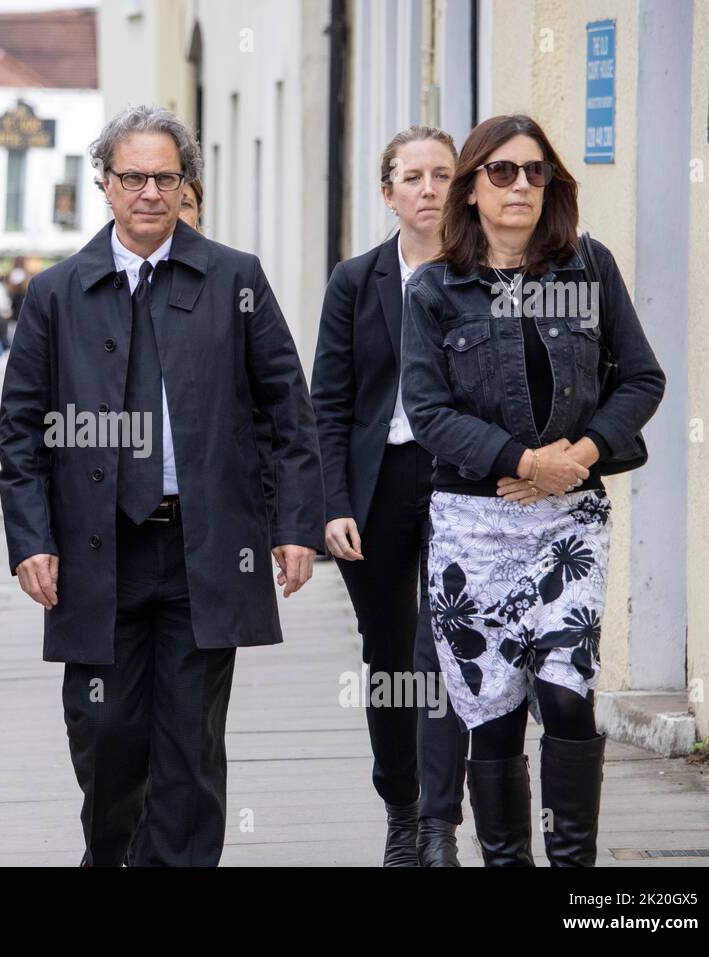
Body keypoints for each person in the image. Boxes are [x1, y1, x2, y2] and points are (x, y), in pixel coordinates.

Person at [0, 105, 321, 866]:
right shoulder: (56, 293)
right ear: (105, 183)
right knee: (106, 732)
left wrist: (296, 523)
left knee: (189, 746)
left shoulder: (234, 277)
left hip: (200, 553)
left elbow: (287, 406)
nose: (150, 191)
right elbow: (21, 430)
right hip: (95, 553)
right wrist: (30, 540)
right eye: (133, 176)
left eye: (166, 177)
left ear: (187, 186)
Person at [401, 114, 665, 866]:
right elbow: (428, 412)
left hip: (568, 523)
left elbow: (643, 377)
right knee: (492, 712)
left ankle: (574, 866)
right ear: (473, 186)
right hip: (474, 527)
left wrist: (576, 454)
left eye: (535, 171)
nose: (520, 185)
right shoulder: (435, 289)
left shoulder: (589, 269)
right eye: (502, 171)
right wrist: (520, 460)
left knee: (565, 694)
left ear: (552, 185)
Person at [310, 126, 470, 866]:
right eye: (413, 177)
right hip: (376, 487)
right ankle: (401, 809)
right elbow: (329, 402)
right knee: (391, 656)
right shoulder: (355, 280)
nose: (429, 188)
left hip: (460, 484)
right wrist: (332, 502)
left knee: (446, 648)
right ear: (389, 193)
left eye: (443, 174)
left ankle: (441, 821)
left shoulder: (480, 275)